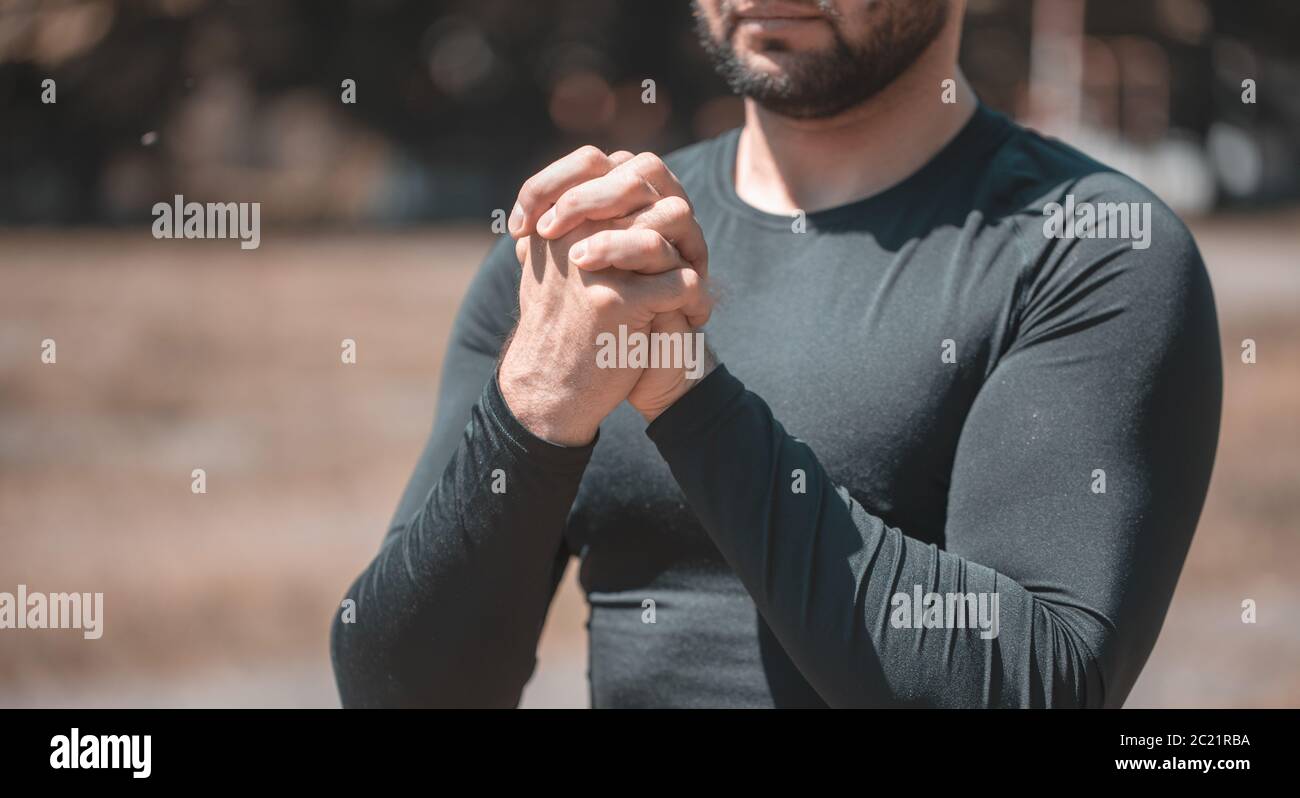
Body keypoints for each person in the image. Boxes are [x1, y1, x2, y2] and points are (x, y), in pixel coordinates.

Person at [330, 0, 1222, 708]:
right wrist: (530, 408)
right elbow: (398, 692)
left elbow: (1035, 687)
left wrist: (687, 398)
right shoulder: (585, 254)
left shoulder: (1094, 247)